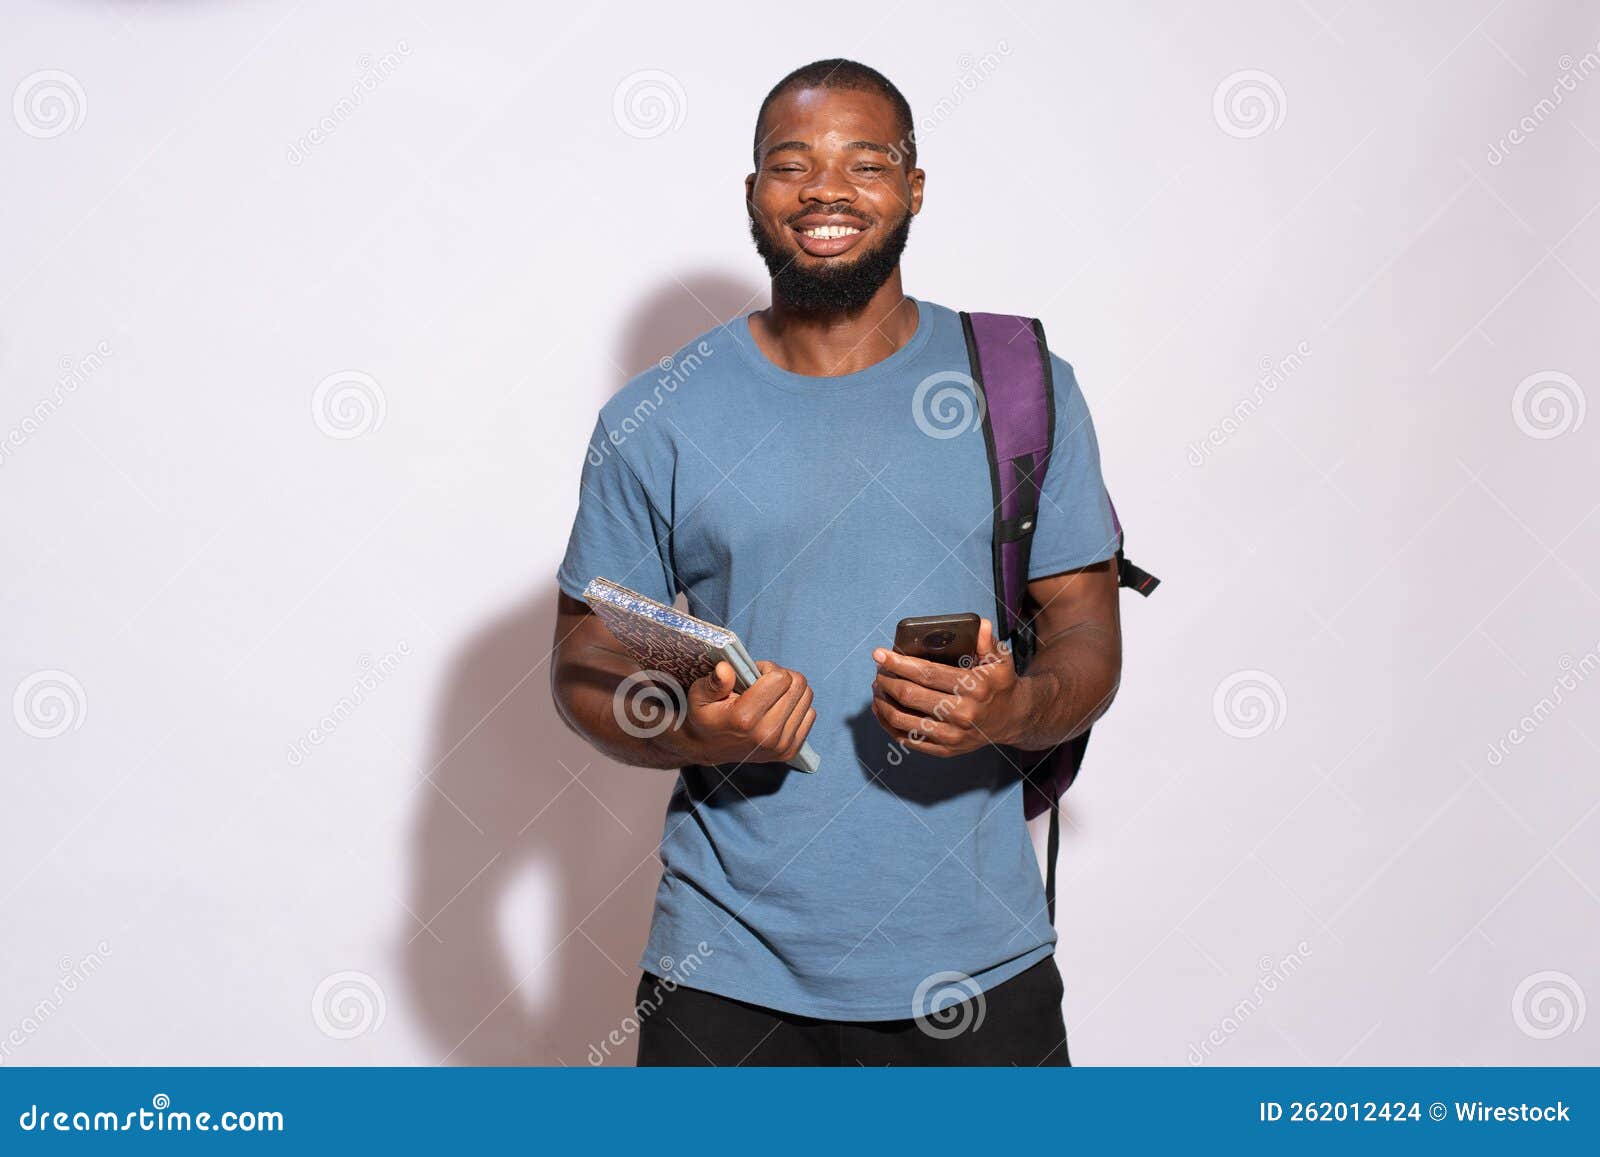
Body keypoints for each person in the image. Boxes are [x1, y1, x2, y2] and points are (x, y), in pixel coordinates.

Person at [551, 58, 1122, 1066]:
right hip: (723, 972)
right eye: (791, 163)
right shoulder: (656, 414)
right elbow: (583, 654)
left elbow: (1083, 627)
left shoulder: (1023, 383)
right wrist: (693, 727)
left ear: (912, 187)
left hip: (980, 969)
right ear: (753, 192)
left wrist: (1009, 709)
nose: (825, 190)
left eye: (866, 162)